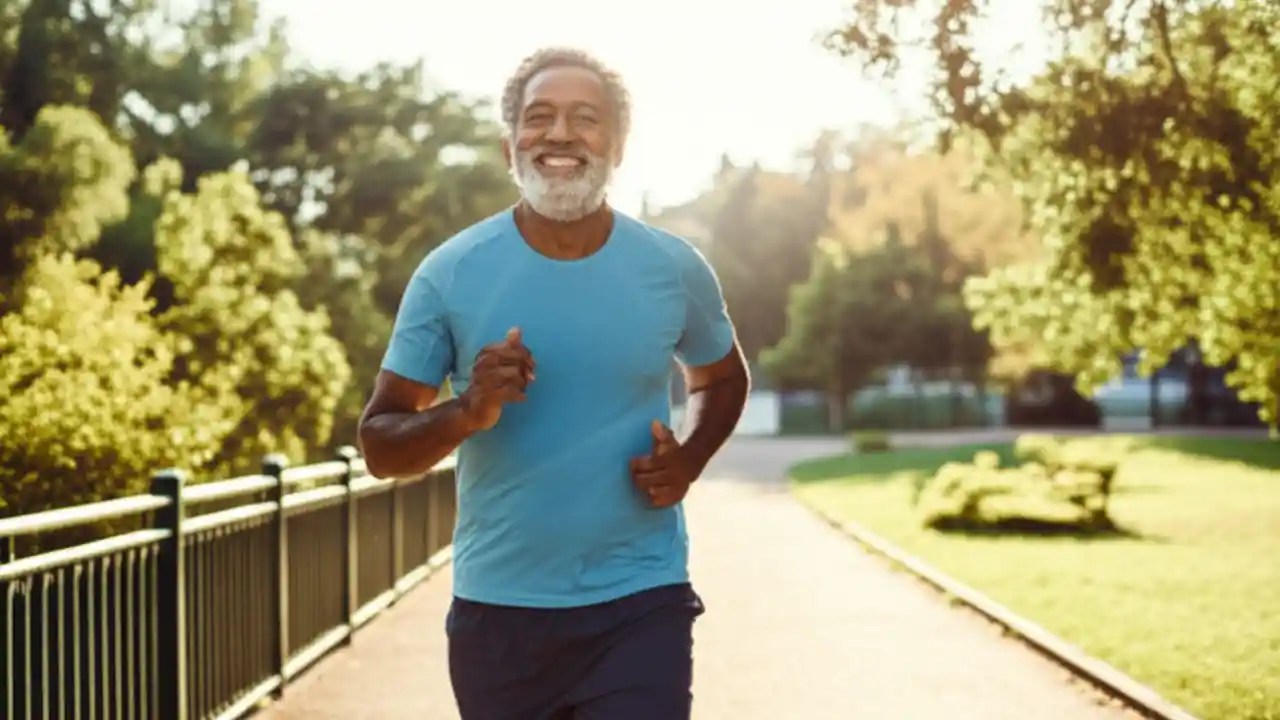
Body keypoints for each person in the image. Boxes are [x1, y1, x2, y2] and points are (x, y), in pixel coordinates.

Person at [357, 45, 749, 720]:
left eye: (586, 118)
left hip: (641, 600)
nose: (561, 134)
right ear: (510, 144)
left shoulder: (671, 267)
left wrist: (688, 458)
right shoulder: (450, 273)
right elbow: (380, 445)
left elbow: (721, 377)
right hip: (499, 615)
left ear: (617, 144)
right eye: (539, 117)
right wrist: (466, 412)